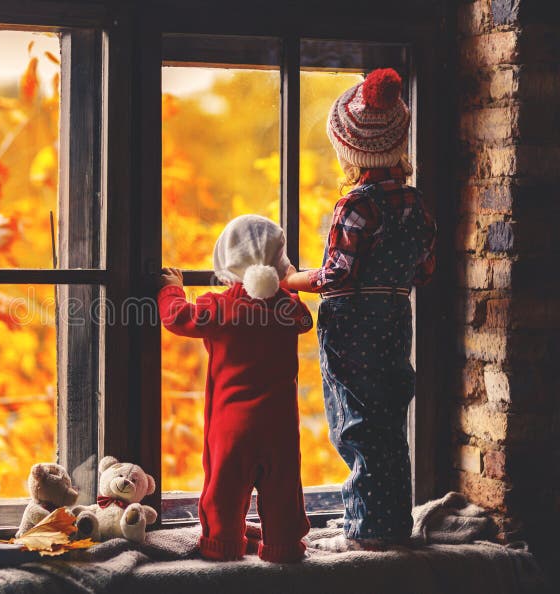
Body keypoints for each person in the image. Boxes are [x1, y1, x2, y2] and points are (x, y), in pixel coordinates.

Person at [283, 68, 436, 549]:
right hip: (395, 321)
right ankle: (389, 523)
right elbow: (423, 272)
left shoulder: (357, 207)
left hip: (352, 329)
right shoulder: (418, 205)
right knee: (388, 423)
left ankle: (364, 533)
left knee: (355, 425)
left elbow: (335, 277)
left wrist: (288, 278)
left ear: (349, 150)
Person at [158, 214, 313, 562]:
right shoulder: (289, 309)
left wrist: (171, 287)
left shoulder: (218, 307)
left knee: (224, 489)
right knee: (283, 488)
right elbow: (306, 320)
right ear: (279, 263)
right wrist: (285, 284)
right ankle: (283, 546)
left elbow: (176, 316)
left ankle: (223, 544)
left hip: (231, 426)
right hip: (280, 427)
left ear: (226, 261)